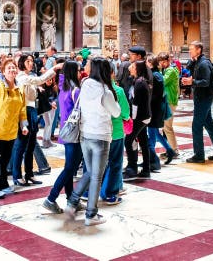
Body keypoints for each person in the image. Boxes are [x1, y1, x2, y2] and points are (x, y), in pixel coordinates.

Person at [64, 57, 121, 226]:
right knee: (97, 176)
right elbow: (117, 113)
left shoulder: (85, 84)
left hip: (85, 134)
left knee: (89, 172)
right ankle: (91, 214)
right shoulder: (105, 91)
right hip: (100, 136)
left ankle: (72, 203)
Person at [11, 55, 62, 186]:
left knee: (31, 145)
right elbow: (39, 80)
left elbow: (36, 88)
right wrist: (54, 68)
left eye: (32, 61)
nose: (30, 63)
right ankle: (17, 175)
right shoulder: (21, 77)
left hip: (32, 111)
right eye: (27, 61)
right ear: (22, 63)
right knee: (21, 145)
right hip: (24, 111)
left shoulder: (28, 76)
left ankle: (29, 174)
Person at [43, 61, 84, 213]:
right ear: (74, 72)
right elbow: (82, 112)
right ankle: (51, 198)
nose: (80, 73)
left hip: (66, 131)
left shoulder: (63, 87)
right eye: (78, 70)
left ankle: (71, 200)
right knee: (69, 169)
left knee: (70, 167)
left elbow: (60, 78)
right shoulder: (76, 90)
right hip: (75, 134)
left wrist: (59, 68)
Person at [0, 58, 28, 199]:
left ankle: (3, 185)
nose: (12, 70)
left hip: (11, 131)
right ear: (3, 71)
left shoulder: (19, 89)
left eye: (14, 68)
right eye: (9, 68)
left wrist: (24, 125)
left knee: (5, 161)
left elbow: (22, 109)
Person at [181, 41, 213, 163]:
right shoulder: (197, 62)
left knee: (196, 126)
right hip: (201, 97)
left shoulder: (204, 64)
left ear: (199, 50)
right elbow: (189, 69)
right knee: (209, 125)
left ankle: (199, 155)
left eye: (192, 49)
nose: (190, 51)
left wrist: (192, 82)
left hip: (204, 97)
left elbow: (205, 82)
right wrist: (192, 61)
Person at [100, 72, 130, 204]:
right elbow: (125, 112)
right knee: (115, 163)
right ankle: (110, 193)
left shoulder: (96, 90)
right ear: (111, 73)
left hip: (99, 132)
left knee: (101, 164)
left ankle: (98, 190)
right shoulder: (117, 90)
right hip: (116, 132)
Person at [123, 60, 152, 179]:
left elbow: (136, 103)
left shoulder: (140, 82)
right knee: (143, 142)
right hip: (144, 116)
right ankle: (146, 169)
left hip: (140, 117)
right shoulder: (139, 81)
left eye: (133, 66)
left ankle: (132, 168)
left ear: (138, 69)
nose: (130, 67)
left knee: (128, 141)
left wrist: (132, 119)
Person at [158, 52, 180, 161]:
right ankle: (171, 149)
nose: (161, 64)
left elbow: (162, 81)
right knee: (166, 127)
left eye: (162, 62)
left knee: (167, 127)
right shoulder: (167, 70)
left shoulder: (171, 71)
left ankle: (174, 150)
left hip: (170, 100)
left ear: (167, 61)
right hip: (168, 100)